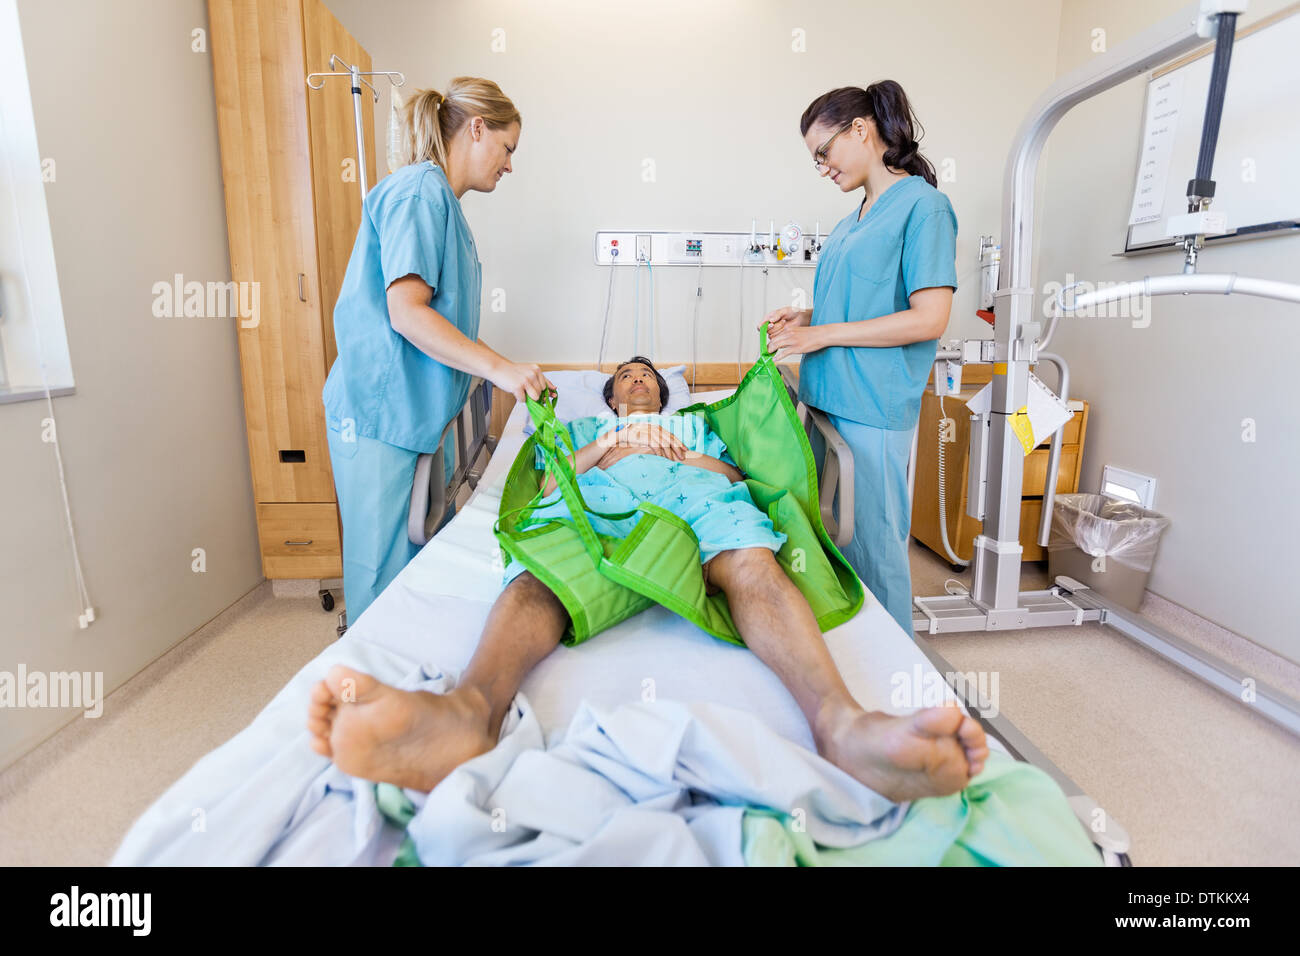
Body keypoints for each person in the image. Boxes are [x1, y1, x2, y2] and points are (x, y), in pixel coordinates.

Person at [306, 357, 988, 804]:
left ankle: (843, 726)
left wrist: (688, 452)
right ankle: (467, 715)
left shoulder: (695, 424)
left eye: (647, 377)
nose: (637, 381)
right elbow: (547, 482)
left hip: (697, 502)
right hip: (601, 506)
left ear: (665, 391)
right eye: (625, 378)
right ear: (608, 395)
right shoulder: (583, 426)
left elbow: (738, 482)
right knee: (538, 574)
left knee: (753, 560)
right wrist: (608, 447)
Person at [321, 77, 555, 623]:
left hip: (413, 421)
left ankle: (403, 692)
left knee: (412, 583)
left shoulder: (442, 205)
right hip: (381, 419)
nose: (510, 165)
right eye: (508, 148)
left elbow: (444, 324)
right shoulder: (420, 191)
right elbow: (406, 311)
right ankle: (368, 695)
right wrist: (498, 370)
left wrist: (509, 369)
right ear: (477, 129)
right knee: (382, 589)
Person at [765, 81, 959, 636]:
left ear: (860, 129)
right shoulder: (854, 220)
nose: (822, 167)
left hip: (871, 409)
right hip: (828, 401)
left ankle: (900, 684)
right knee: (838, 550)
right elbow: (860, 302)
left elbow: (928, 318)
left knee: (876, 555)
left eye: (823, 152)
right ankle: (858, 657)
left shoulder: (924, 207)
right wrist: (808, 320)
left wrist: (822, 335)